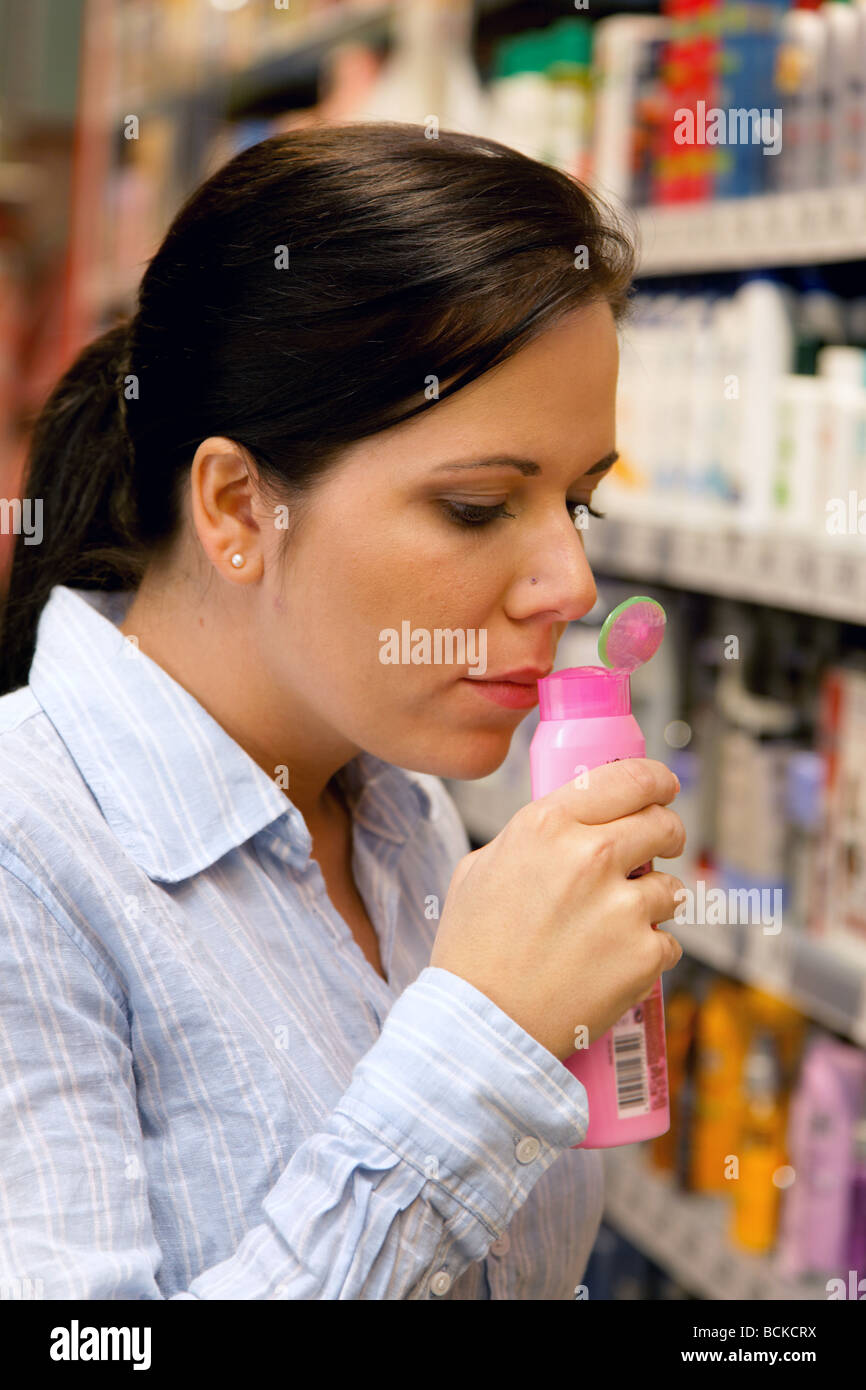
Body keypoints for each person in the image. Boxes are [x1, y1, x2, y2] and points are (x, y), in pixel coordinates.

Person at [0, 121, 685, 1300]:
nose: (569, 585)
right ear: (234, 506)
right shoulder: (32, 853)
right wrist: (481, 1039)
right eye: (477, 506)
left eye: (578, 505)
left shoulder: (402, 806)